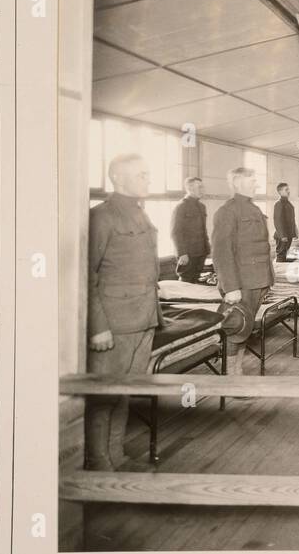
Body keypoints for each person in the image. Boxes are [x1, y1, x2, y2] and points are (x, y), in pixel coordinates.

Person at [85, 154, 163, 472]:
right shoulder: (101, 217)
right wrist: (97, 326)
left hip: (142, 318)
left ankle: (115, 454)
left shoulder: (139, 214)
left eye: (147, 174)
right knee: (104, 395)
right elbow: (86, 277)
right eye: (141, 175)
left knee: (126, 391)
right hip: (114, 322)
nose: (148, 180)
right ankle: (97, 460)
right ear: (118, 178)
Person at [213, 167, 275, 375]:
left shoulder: (254, 209)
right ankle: (233, 377)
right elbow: (222, 252)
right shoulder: (228, 211)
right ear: (238, 183)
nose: (256, 184)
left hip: (257, 281)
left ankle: (237, 371)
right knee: (236, 328)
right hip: (242, 283)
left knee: (245, 327)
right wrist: (230, 287)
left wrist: (267, 280)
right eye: (252, 181)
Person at [170, 176, 209, 284]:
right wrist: (182, 253)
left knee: (196, 280)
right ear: (190, 188)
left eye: (202, 187)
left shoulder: (201, 207)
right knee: (185, 280)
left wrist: (206, 249)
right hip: (188, 253)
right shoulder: (181, 207)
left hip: (201, 252)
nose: (202, 190)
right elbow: (175, 232)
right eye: (199, 187)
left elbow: (202, 230)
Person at [272, 182, 297, 262]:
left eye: (288, 189)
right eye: (286, 190)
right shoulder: (278, 204)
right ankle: (278, 273)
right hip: (282, 236)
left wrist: (295, 231)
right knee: (281, 255)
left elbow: (291, 219)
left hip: (288, 234)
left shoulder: (288, 203)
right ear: (280, 192)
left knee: (284, 254)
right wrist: (283, 236)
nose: (288, 191)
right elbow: (277, 221)